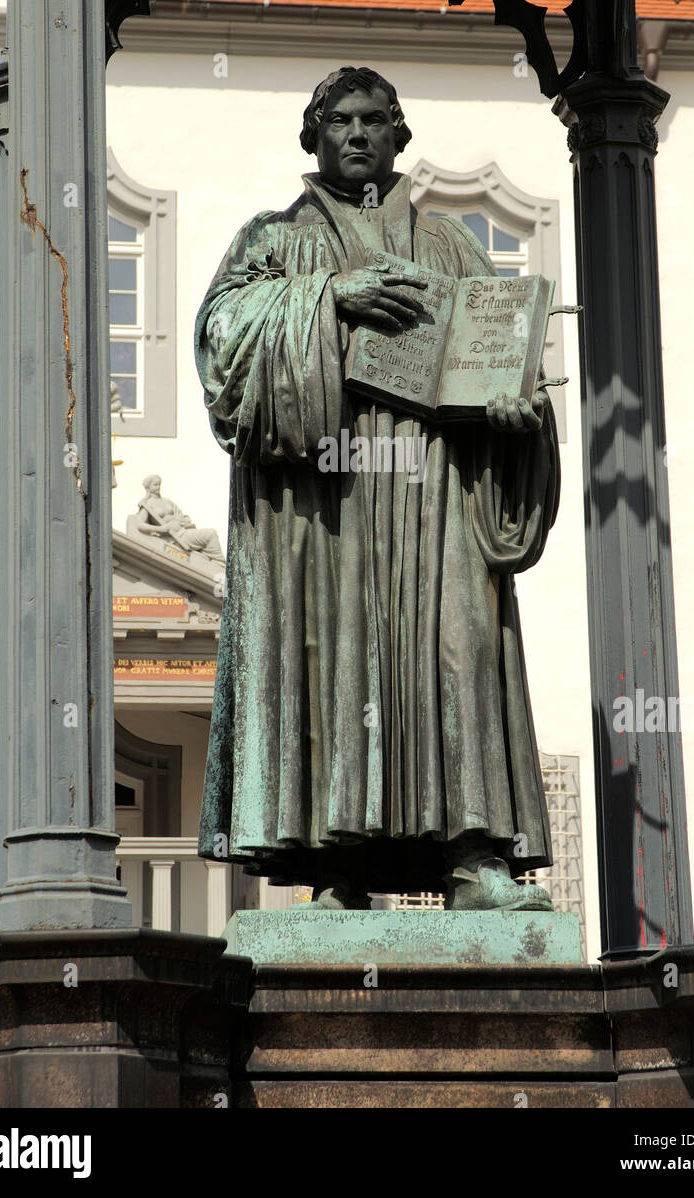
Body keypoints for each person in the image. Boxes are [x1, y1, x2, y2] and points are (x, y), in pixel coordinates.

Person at [195, 66, 560, 910]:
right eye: (338, 121)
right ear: (311, 137)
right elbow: (221, 347)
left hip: (437, 490)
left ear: (399, 135)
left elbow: (501, 359)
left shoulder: (451, 246)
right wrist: (327, 298)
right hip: (323, 495)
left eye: (372, 121)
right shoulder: (272, 241)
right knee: (332, 658)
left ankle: (473, 859)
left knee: (457, 650)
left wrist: (517, 411)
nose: (356, 135)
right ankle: (337, 868)